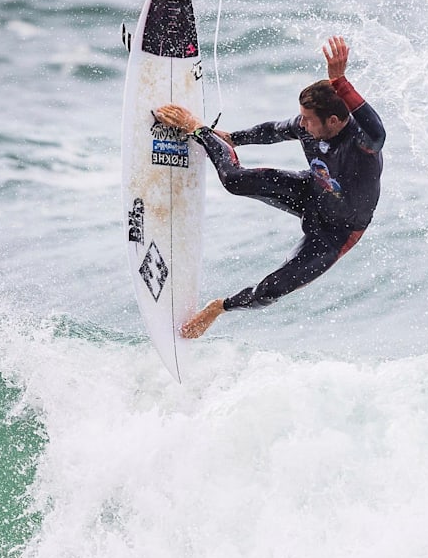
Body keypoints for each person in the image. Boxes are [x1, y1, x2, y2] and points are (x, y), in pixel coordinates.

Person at [154, 35, 385, 339]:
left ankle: (217, 308)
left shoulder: (361, 145)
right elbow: (272, 131)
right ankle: (197, 129)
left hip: (336, 233)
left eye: (308, 120)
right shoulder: (310, 128)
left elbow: (377, 131)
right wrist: (233, 139)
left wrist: (340, 81)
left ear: (333, 120)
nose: (301, 125)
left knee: (270, 290)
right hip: (310, 192)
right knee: (235, 181)